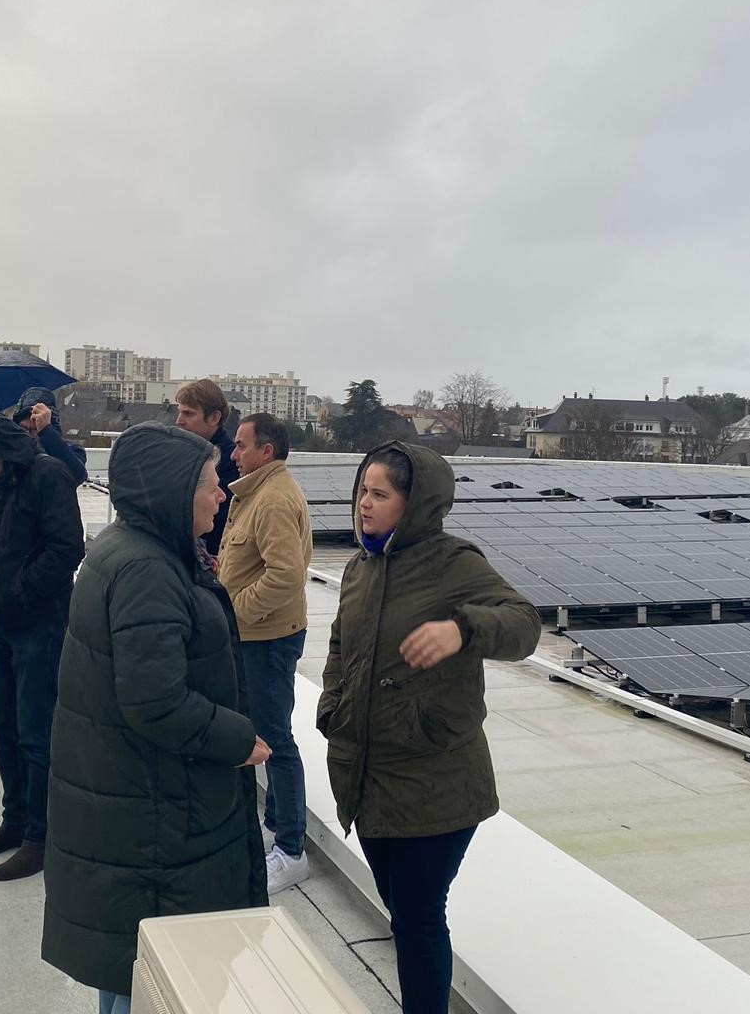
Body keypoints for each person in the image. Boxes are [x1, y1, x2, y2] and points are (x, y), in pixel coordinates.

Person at [42, 422, 270, 1014]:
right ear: (169, 490)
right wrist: (239, 739)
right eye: (208, 482)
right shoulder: (147, 570)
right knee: (155, 978)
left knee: (130, 971)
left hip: (137, 801)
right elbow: (155, 701)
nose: (221, 493)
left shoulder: (137, 551)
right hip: (157, 819)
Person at [318, 441, 541, 1014]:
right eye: (362, 491)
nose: (364, 505)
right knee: (402, 910)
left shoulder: (453, 562)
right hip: (371, 776)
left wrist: (463, 629)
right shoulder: (362, 565)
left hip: (436, 779)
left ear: (414, 504)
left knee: (418, 919)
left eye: (380, 494)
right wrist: (333, 706)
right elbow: (342, 643)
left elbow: (524, 624)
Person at [0, 411, 85, 882]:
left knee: (36, 732)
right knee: (4, 725)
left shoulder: (48, 475)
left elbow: (67, 547)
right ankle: (14, 821)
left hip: (40, 624)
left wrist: (20, 592)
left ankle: (41, 834)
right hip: (3, 623)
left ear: (4, 451)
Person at [217, 413, 314, 894]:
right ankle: (276, 828)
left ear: (266, 451)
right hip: (260, 637)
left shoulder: (273, 499)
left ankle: (292, 850)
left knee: (276, 738)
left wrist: (233, 613)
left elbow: (285, 576)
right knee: (268, 733)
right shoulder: (259, 493)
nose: (233, 453)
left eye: (240, 445)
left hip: (267, 639)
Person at [174, 379, 238, 556]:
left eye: (188, 414)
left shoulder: (231, 463)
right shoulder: (185, 453)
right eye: (179, 412)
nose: (179, 421)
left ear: (214, 418)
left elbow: (219, 522)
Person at [13, 385, 88, 484]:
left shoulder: (72, 449)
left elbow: (77, 475)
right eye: (24, 429)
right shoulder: (12, 451)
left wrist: (46, 432)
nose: (30, 435)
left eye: (35, 429)